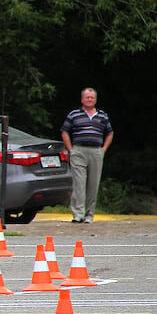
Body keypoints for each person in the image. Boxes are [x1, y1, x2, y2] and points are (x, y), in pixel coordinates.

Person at [61, 87, 114, 223]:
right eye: (87, 97)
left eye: (92, 98)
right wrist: (70, 149)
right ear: (82, 99)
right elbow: (65, 131)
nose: (89, 100)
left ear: (95, 100)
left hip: (96, 151)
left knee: (93, 184)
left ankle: (89, 215)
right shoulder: (74, 114)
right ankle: (78, 214)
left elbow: (109, 132)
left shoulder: (102, 115)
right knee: (79, 183)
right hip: (79, 151)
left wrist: (103, 149)